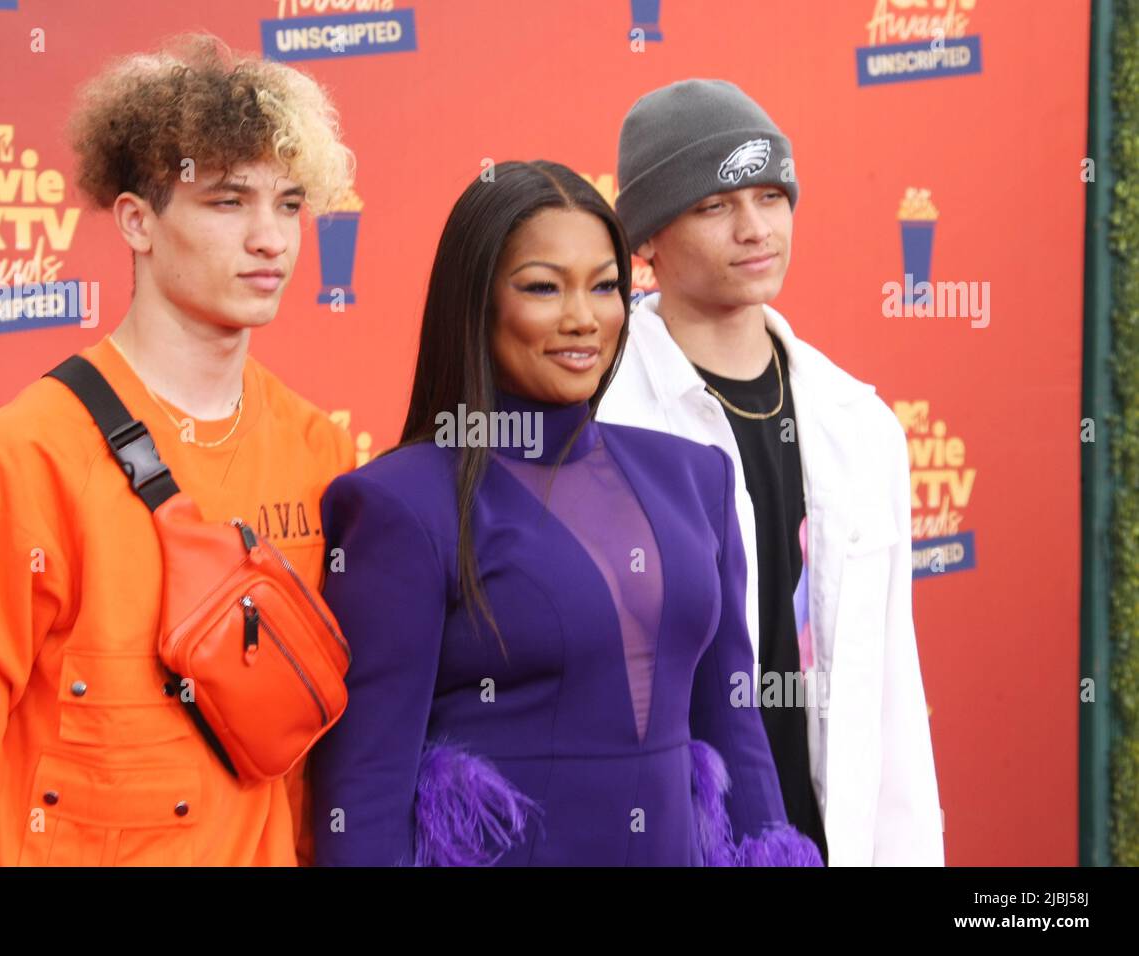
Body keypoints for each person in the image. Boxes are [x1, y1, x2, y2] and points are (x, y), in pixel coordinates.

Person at [0, 33, 355, 866]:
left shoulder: (323, 452)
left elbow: (325, 776)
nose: (272, 238)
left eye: (291, 203)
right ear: (137, 221)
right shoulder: (23, 458)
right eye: (229, 201)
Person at [308, 160, 822, 866]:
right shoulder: (402, 504)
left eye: (606, 286)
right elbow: (363, 790)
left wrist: (775, 853)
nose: (583, 317)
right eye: (543, 288)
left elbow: (732, 722)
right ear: (477, 304)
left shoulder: (694, 477)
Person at [597, 78, 944, 865]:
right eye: (714, 205)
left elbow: (892, 694)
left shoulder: (861, 425)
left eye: (770, 195)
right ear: (646, 239)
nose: (754, 228)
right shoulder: (599, 423)